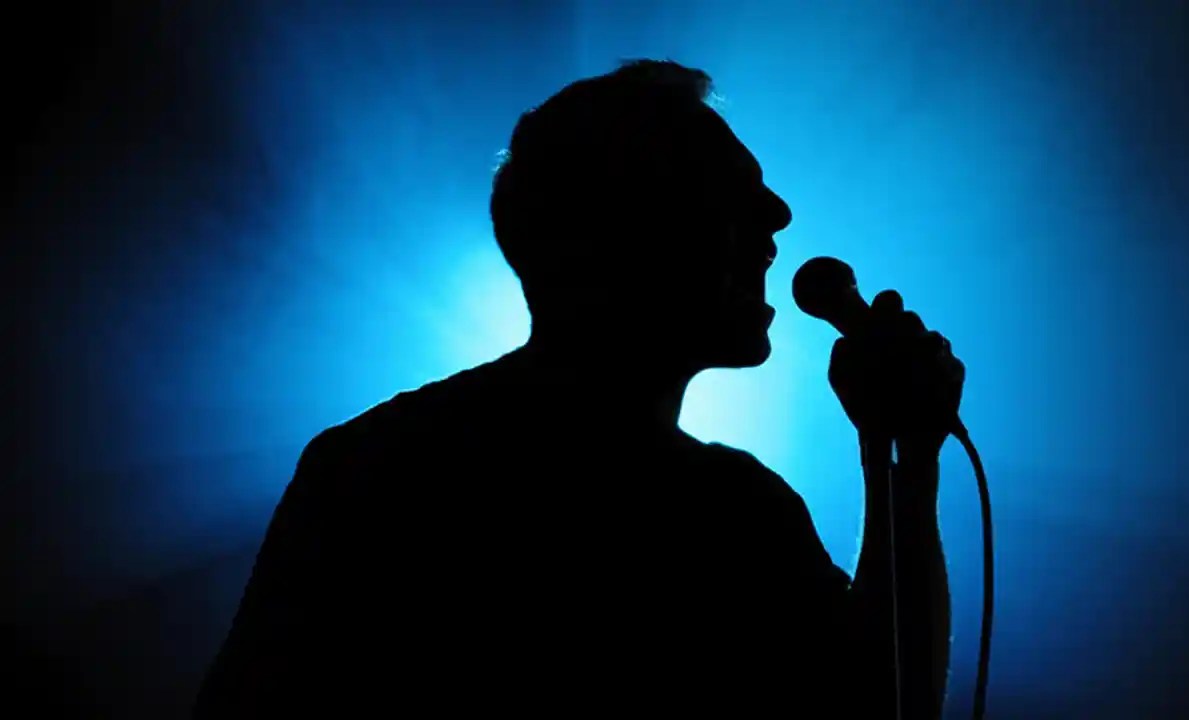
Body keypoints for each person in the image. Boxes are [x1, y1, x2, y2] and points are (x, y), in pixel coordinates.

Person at [193, 59, 964, 718]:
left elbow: (877, 703)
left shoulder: (747, 511)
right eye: (732, 192)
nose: (776, 216)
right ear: (627, 224)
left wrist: (900, 455)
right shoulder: (383, 474)